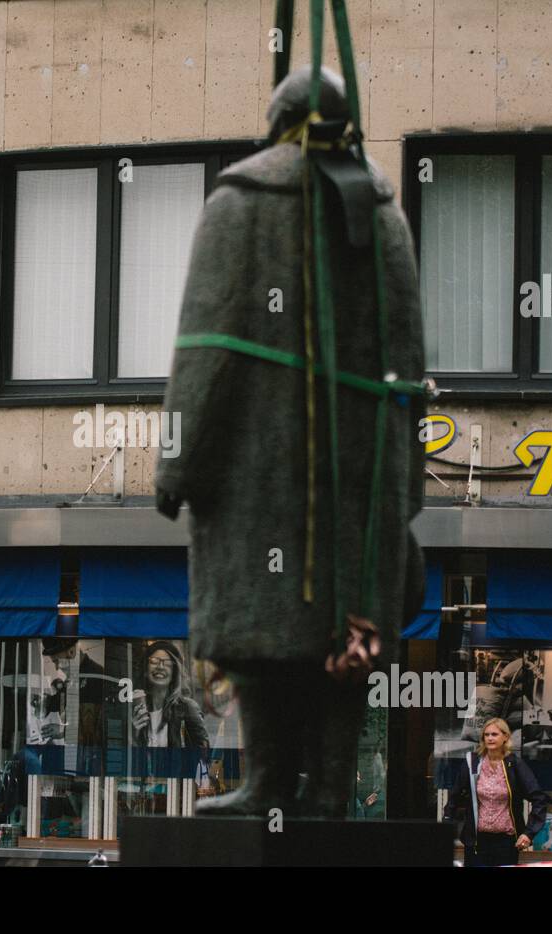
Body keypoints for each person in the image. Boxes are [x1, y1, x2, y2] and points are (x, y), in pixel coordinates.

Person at [155, 65, 427, 817]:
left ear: (275, 124)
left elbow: (203, 343)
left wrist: (178, 462)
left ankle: (268, 783)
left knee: (258, 629)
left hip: (255, 470)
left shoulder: (239, 202)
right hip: (360, 473)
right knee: (346, 636)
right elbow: (411, 365)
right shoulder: (386, 217)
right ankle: (332, 792)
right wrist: (405, 488)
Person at [444, 717, 547, 867]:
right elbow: (455, 796)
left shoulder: (514, 764)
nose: (490, 738)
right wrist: (446, 827)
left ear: (505, 737)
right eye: (486, 735)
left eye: (494, 734)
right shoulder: (473, 763)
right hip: (477, 841)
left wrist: (528, 833)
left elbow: (539, 798)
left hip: (506, 841)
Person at [131, 640, 209, 752]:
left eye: (167, 663)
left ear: (174, 672)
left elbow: (203, 753)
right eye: (154, 661)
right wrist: (133, 734)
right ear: (145, 670)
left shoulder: (188, 708)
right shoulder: (136, 709)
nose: (160, 666)